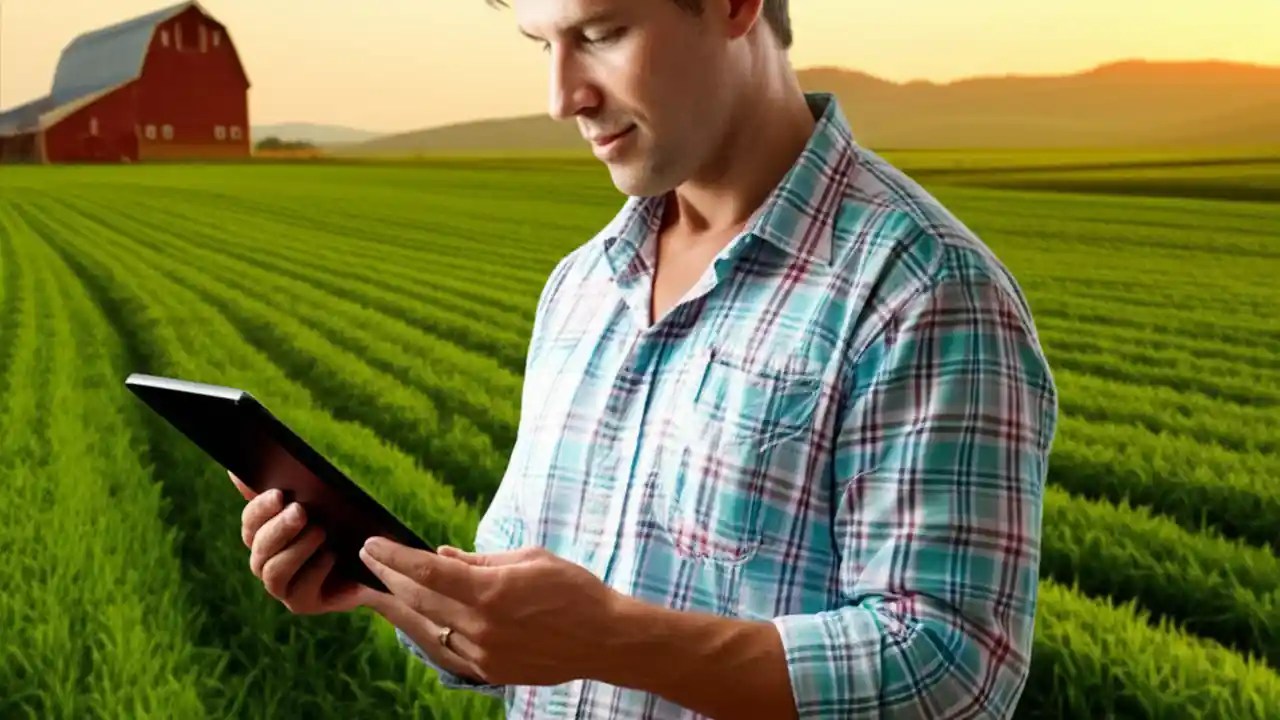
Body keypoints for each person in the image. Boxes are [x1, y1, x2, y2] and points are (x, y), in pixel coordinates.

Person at [233, 0, 1060, 717]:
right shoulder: (582, 288)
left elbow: (954, 672)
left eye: (601, 32)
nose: (564, 96)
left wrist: (612, 640)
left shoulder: (920, 289)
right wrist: (378, 584)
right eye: (542, 45)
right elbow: (524, 639)